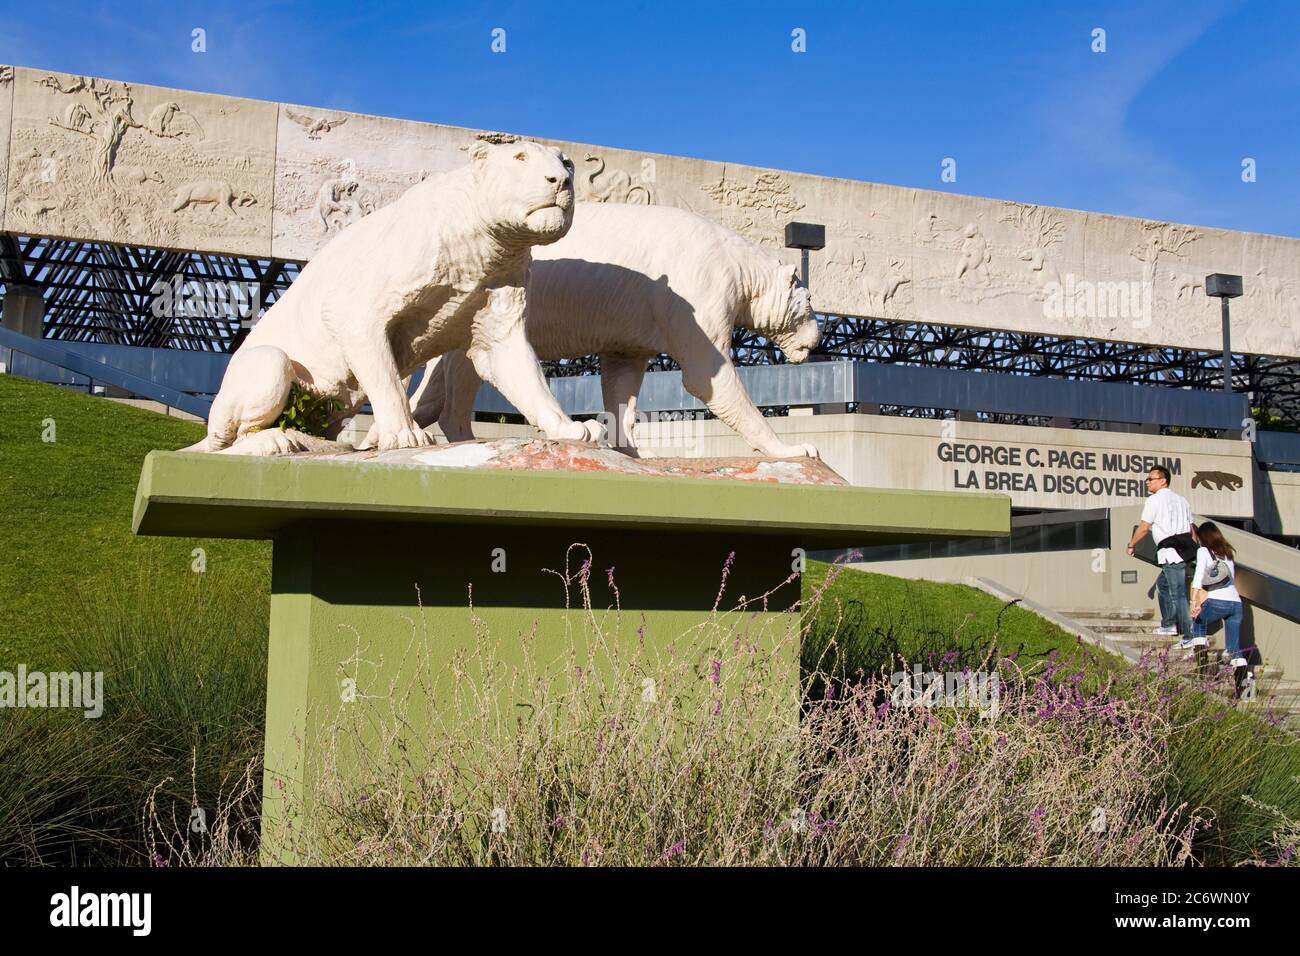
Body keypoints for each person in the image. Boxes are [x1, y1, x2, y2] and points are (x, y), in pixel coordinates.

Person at [1125, 465, 1196, 640]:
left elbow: (1144, 527)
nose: (1147, 482)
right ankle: (1169, 623)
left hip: (1170, 552)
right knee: (1163, 585)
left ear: (1163, 481)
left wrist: (1131, 544)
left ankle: (1189, 636)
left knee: (1177, 593)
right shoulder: (1182, 500)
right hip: (1185, 551)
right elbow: (1192, 529)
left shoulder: (1154, 500)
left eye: (1151, 479)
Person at [1188, 522, 1246, 666]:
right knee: (1234, 650)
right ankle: (1243, 684)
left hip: (1216, 601)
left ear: (1203, 537)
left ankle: (1201, 669)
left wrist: (1194, 601)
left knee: (1198, 625)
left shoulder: (1203, 551)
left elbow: (1199, 576)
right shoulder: (1228, 553)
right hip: (1236, 604)